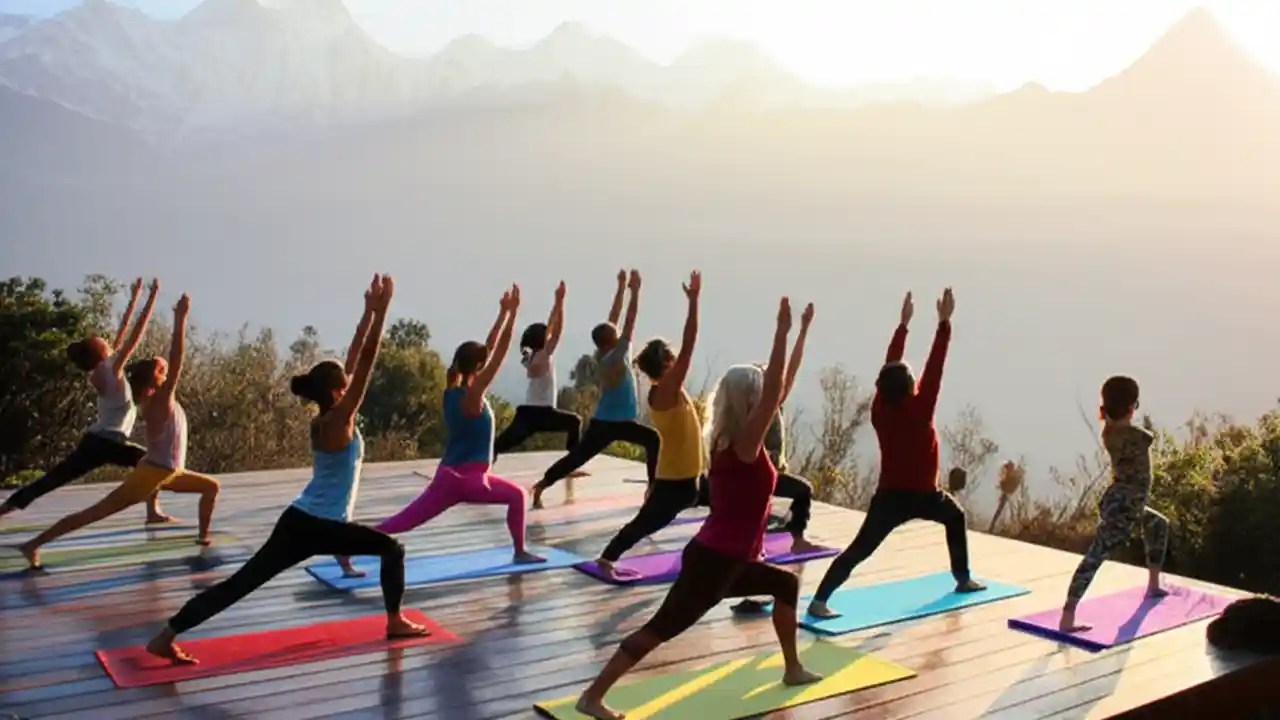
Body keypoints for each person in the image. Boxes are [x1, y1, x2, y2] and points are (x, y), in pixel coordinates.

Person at [145, 275, 428, 664]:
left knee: (240, 583)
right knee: (392, 548)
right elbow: (364, 364)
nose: (350, 388)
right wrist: (382, 314)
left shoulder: (328, 416)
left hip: (299, 521)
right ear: (335, 392)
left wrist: (367, 313)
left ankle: (167, 633)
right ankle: (394, 620)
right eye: (344, 386)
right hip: (320, 525)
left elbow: (352, 359)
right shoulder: (338, 420)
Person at [574, 297, 821, 720]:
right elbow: (774, 392)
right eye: (760, 397)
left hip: (729, 559)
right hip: (714, 563)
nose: (769, 401)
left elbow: (778, 390)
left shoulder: (727, 441)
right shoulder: (744, 448)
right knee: (659, 630)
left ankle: (793, 668)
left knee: (786, 586)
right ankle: (592, 697)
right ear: (750, 403)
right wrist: (781, 333)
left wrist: (798, 334)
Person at [808, 289, 984, 619]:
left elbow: (891, 368)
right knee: (955, 517)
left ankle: (819, 601)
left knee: (860, 549)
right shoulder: (921, 408)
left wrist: (903, 326)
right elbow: (936, 367)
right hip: (924, 496)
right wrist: (944, 324)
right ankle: (963, 579)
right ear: (910, 386)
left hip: (890, 498)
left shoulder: (880, 409)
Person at [18, 293, 221, 570]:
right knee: (95, 513)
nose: (167, 372)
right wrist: (179, 320)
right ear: (154, 383)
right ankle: (33, 545)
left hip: (168, 472)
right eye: (162, 371)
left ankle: (203, 537)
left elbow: (168, 364)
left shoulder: (157, 397)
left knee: (211, 487)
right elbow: (178, 357)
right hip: (151, 475)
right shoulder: (160, 401)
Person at [371, 284, 545, 564]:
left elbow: (488, 350)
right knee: (517, 496)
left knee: (403, 522)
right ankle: (520, 552)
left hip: (452, 476)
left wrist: (502, 314)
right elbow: (498, 353)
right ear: (478, 368)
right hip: (466, 480)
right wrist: (513, 316)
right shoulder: (473, 396)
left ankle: (350, 543)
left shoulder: (453, 390)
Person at [1, 278, 173, 524]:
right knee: (154, 463)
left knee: (53, 479)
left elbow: (124, 327)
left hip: (96, 442)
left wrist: (135, 296)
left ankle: (6, 507)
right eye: (103, 343)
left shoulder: (102, 370)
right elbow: (134, 334)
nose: (107, 341)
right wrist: (152, 298)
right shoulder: (111, 368)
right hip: (107, 441)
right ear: (101, 353)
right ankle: (152, 512)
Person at [594, 271, 703, 579]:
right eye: (673, 358)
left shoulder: (666, 388)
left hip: (691, 477)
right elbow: (691, 342)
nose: (678, 360)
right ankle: (606, 558)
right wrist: (694, 303)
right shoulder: (665, 391)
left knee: (728, 508)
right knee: (645, 524)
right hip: (676, 482)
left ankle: (716, 555)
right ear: (667, 364)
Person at [531, 270, 660, 509]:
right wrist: (636, 291)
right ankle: (652, 489)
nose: (620, 332)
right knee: (653, 439)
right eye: (616, 333)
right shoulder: (617, 354)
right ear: (611, 341)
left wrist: (621, 287)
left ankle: (543, 483)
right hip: (615, 423)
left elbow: (614, 318)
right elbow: (630, 319)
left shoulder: (603, 352)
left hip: (604, 422)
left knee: (578, 457)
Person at [1059, 376, 1168, 633]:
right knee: (1095, 556)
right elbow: (1149, 436)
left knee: (1159, 525)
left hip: (1125, 501)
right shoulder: (1133, 436)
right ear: (1132, 407)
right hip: (1125, 506)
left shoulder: (1109, 431)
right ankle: (1067, 616)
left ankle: (1153, 584)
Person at [491, 281, 586, 499]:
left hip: (531, 413)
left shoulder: (530, 355)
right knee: (575, 422)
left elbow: (551, 327)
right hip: (538, 413)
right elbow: (557, 329)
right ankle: (570, 464)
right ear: (541, 340)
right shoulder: (544, 354)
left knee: (498, 444)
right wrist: (560, 302)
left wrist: (557, 302)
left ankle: (483, 466)